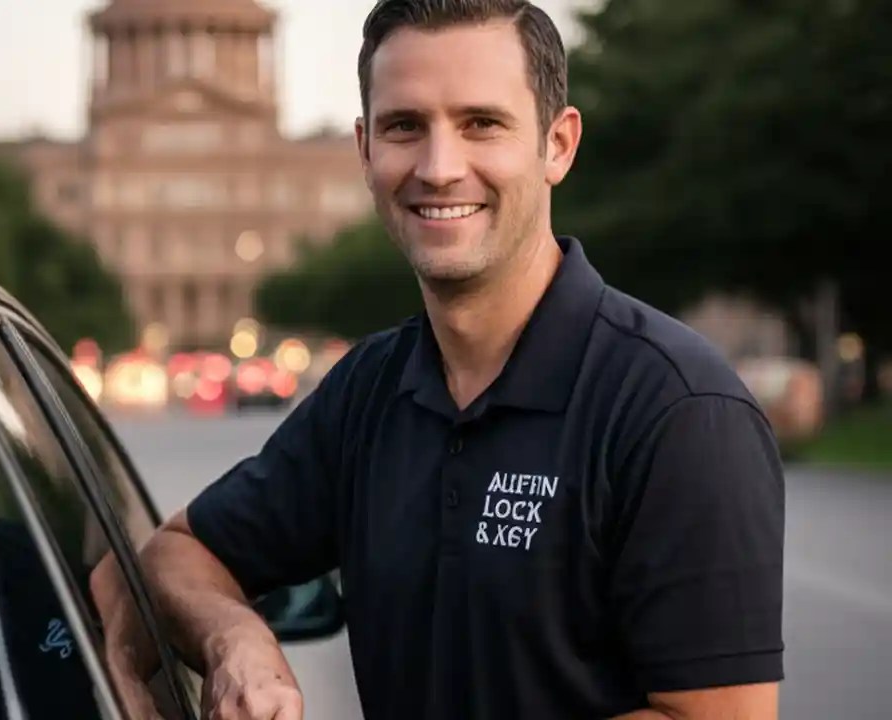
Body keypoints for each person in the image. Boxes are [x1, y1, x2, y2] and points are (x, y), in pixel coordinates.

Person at [97, 1, 785, 718]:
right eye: (404, 127)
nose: (439, 167)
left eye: (481, 124)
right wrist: (237, 638)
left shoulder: (676, 410)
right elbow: (179, 552)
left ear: (558, 144)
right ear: (365, 151)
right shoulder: (373, 390)